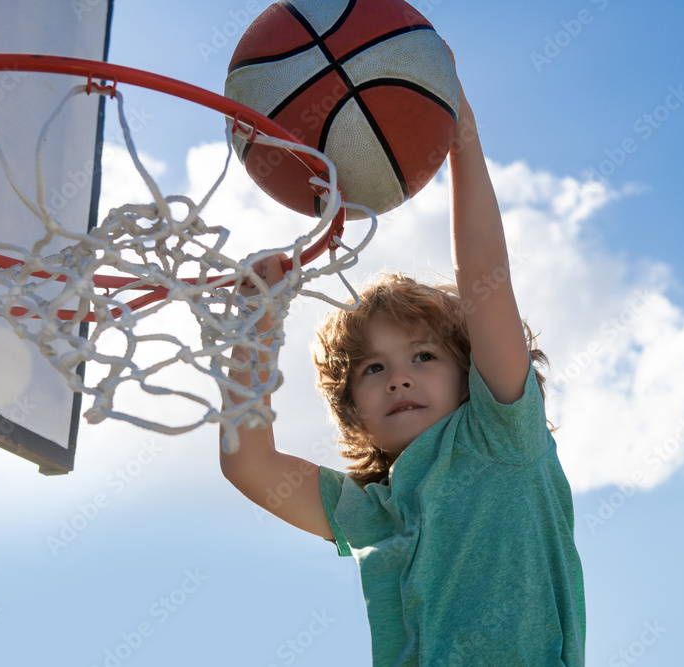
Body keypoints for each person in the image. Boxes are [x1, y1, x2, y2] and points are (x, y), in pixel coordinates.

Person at [220, 60, 585, 665]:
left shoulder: (501, 436)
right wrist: (258, 323)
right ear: (354, 414)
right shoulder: (373, 512)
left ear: (470, 373)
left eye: (423, 355)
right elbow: (249, 464)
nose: (399, 376)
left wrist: (459, 127)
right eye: (372, 369)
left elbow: (485, 280)